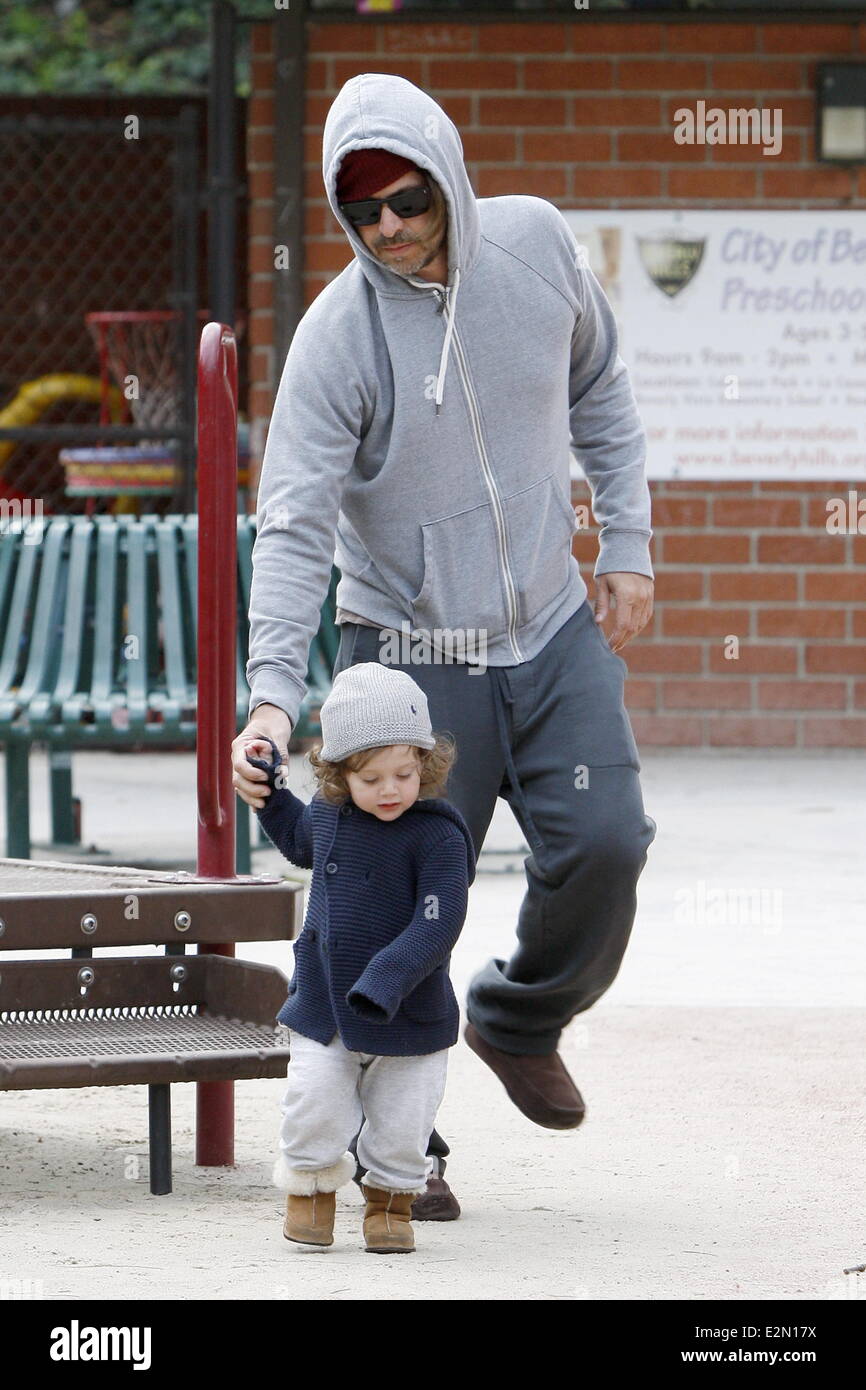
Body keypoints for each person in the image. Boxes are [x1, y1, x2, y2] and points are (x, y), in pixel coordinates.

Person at [232, 72, 657, 1223]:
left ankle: (517, 1016)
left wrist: (625, 540)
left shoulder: (530, 245)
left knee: (608, 840)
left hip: (550, 624)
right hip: (412, 654)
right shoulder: (338, 338)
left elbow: (600, 385)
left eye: (409, 200)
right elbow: (294, 523)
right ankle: (399, 1154)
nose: (390, 230)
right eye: (362, 212)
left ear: (446, 178)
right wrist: (273, 693)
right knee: (382, 901)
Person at [246, 662, 475, 1254]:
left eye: (404, 772)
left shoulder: (439, 836)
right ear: (338, 774)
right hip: (326, 1003)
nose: (391, 789)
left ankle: (391, 1204)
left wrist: (387, 977)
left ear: (426, 763)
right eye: (370, 779)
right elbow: (300, 838)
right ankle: (312, 1194)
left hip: (410, 1009)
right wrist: (271, 794)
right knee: (313, 1104)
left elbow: (439, 919)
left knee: (403, 1124)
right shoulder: (329, 814)